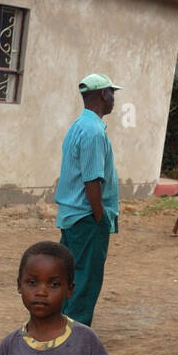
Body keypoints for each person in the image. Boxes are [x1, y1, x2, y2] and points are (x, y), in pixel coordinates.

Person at [55, 73, 121, 327]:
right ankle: (74, 336)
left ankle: (56, 328)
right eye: (112, 93)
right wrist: (100, 217)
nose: (114, 98)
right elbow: (92, 180)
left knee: (68, 277)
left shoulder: (79, 126)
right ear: (104, 94)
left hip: (73, 216)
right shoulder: (93, 131)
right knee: (85, 281)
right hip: (86, 218)